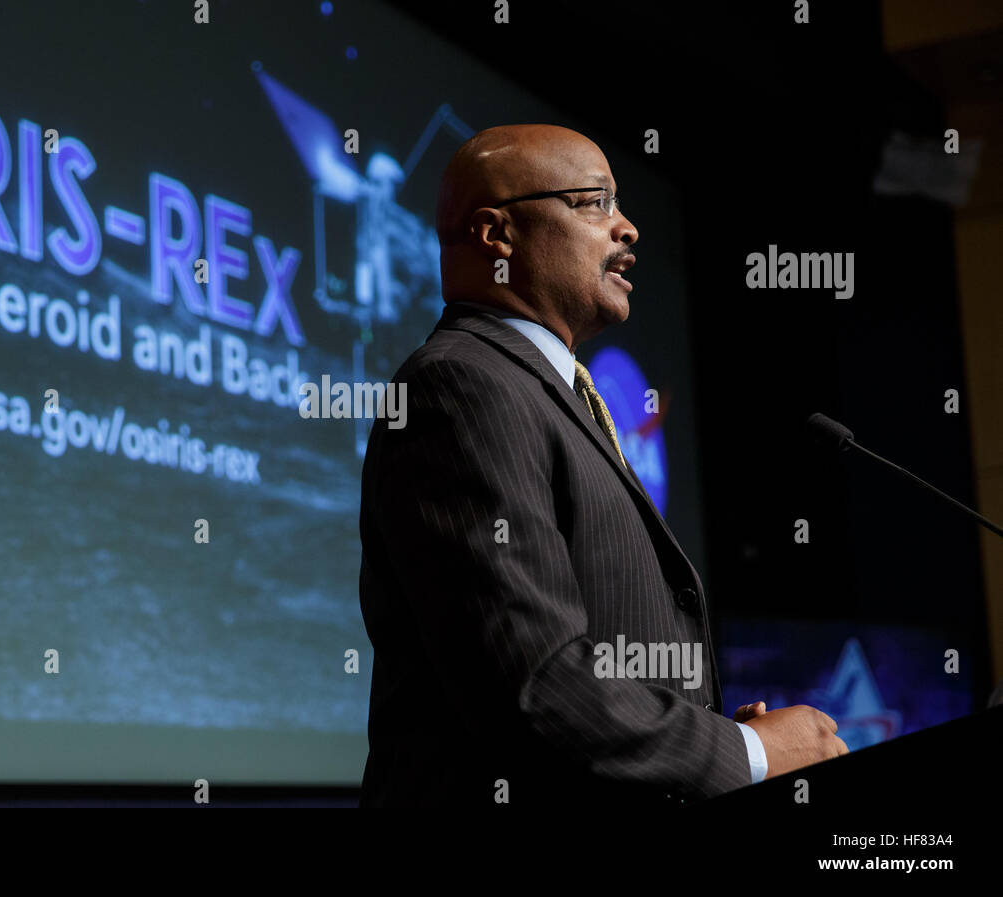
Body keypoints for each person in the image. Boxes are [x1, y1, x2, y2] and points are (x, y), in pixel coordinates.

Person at [357, 123, 848, 807]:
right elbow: (537, 683)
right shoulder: (460, 387)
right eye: (595, 202)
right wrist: (751, 754)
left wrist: (710, 741)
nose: (628, 228)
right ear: (497, 234)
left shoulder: (549, 396)